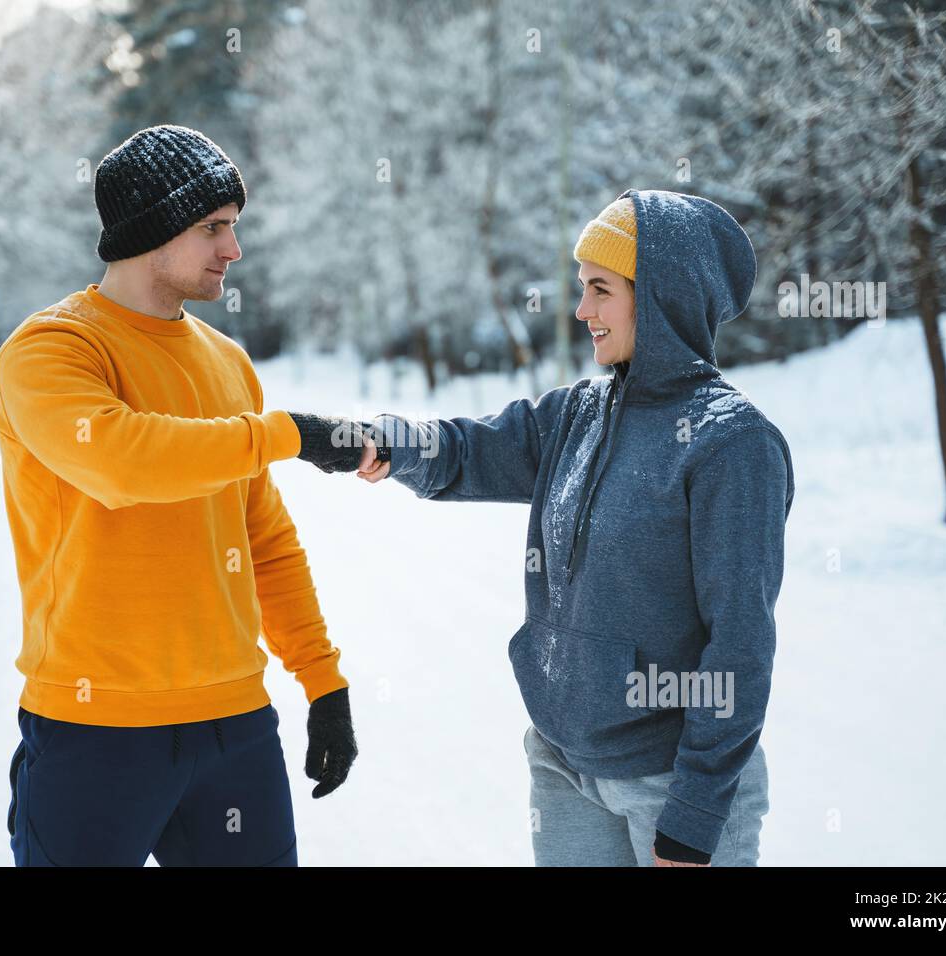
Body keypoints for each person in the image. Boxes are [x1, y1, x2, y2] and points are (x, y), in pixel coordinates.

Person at [293, 189, 795, 866]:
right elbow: (470, 449)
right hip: (561, 764)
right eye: (580, 288)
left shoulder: (730, 443)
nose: (581, 309)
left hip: (670, 785)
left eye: (599, 289)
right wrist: (371, 439)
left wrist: (696, 815)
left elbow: (739, 646)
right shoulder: (578, 413)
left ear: (662, 297)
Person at [0, 124, 377, 866]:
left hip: (234, 729)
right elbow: (120, 461)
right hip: (92, 728)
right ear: (152, 229)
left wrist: (323, 682)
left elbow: (263, 538)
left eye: (233, 228)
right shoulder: (53, 350)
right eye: (213, 228)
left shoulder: (228, 362)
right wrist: (289, 432)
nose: (232, 250)